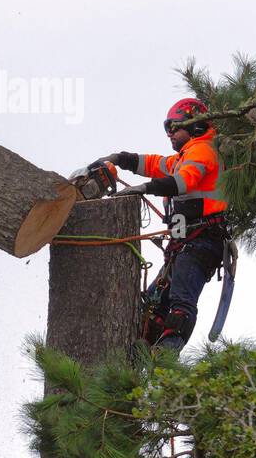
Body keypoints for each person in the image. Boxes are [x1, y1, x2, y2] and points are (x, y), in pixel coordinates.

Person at [91, 98, 228, 352]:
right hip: (185, 246)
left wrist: (144, 188)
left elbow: (182, 182)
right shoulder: (183, 156)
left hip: (201, 243)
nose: (170, 134)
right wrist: (121, 158)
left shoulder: (203, 150)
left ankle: (166, 359)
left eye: (175, 128)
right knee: (151, 306)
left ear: (195, 126)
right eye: (168, 129)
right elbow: (154, 163)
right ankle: (140, 353)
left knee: (180, 304)